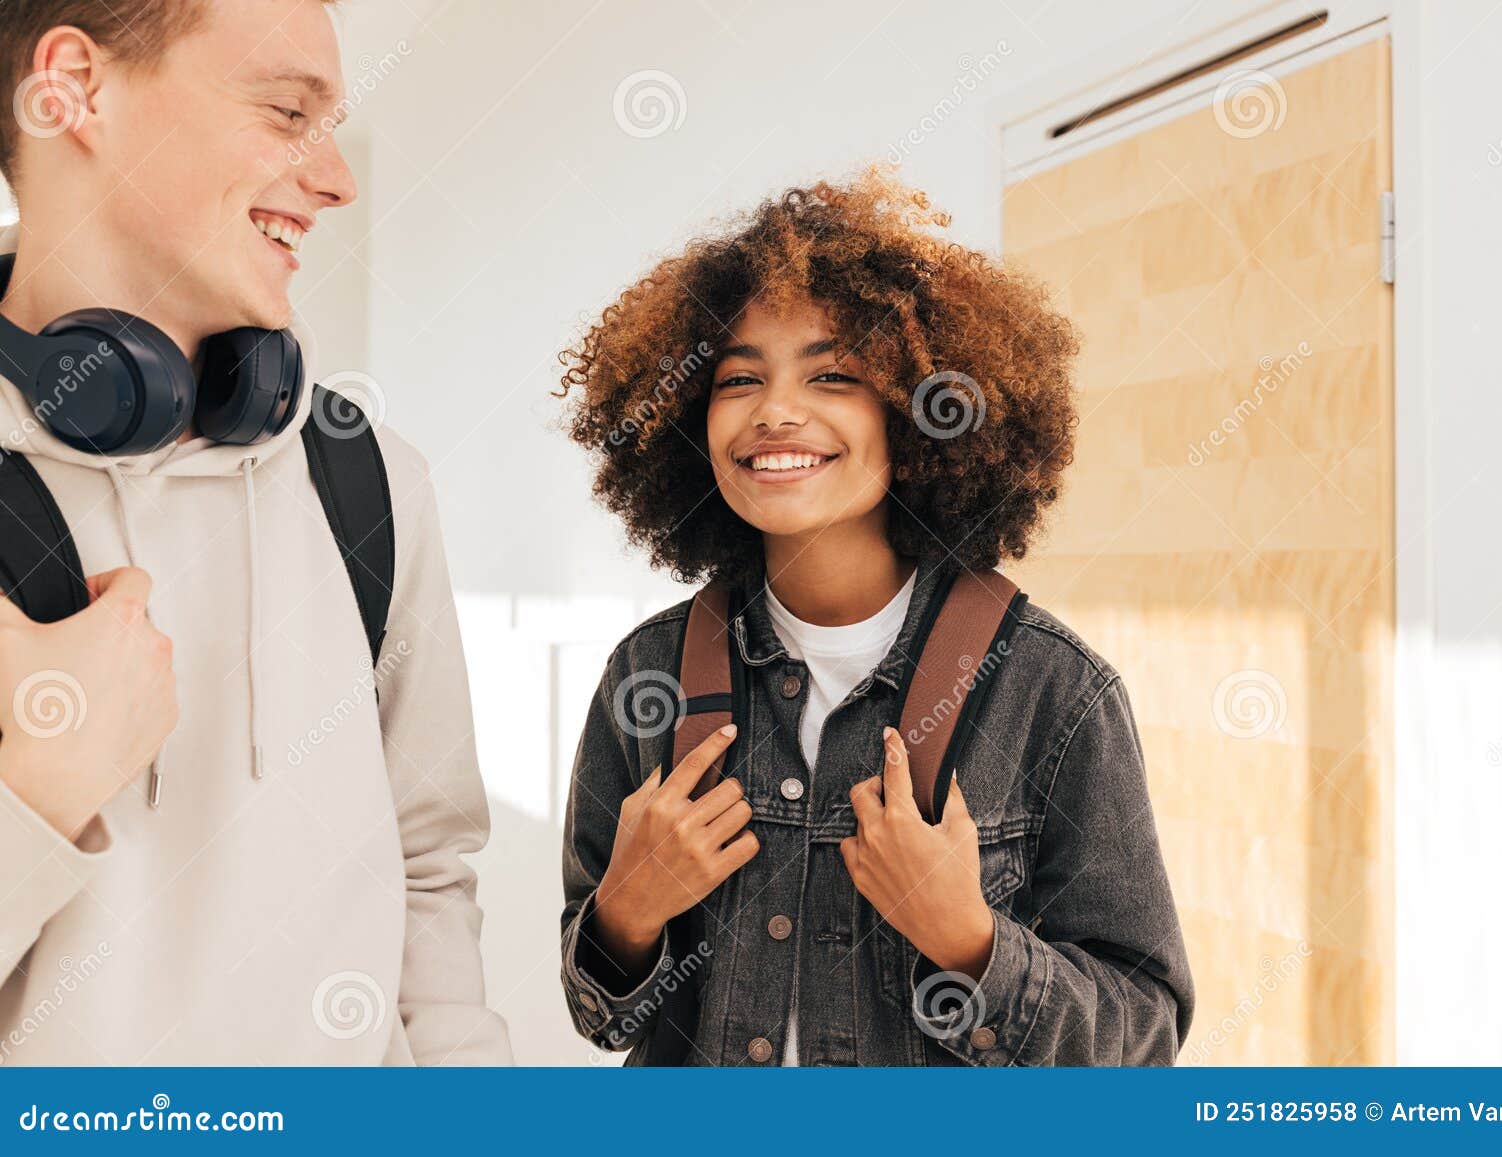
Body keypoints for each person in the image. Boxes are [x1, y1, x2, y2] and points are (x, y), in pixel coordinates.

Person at [555, 170, 1194, 1065]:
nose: (776, 410)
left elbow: (1145, 1033)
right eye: (740, 377)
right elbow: (603, 1016)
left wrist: (971, 941)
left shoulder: (1053, 687)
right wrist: (624, 913)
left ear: (914, 411)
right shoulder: (646, 674)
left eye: (834, 374)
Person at [0, 0, 510, 1065]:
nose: (336, 181)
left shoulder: (369, 480)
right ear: (74, 90)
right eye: (288, 112)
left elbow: (428, 873)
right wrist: (35, 794)